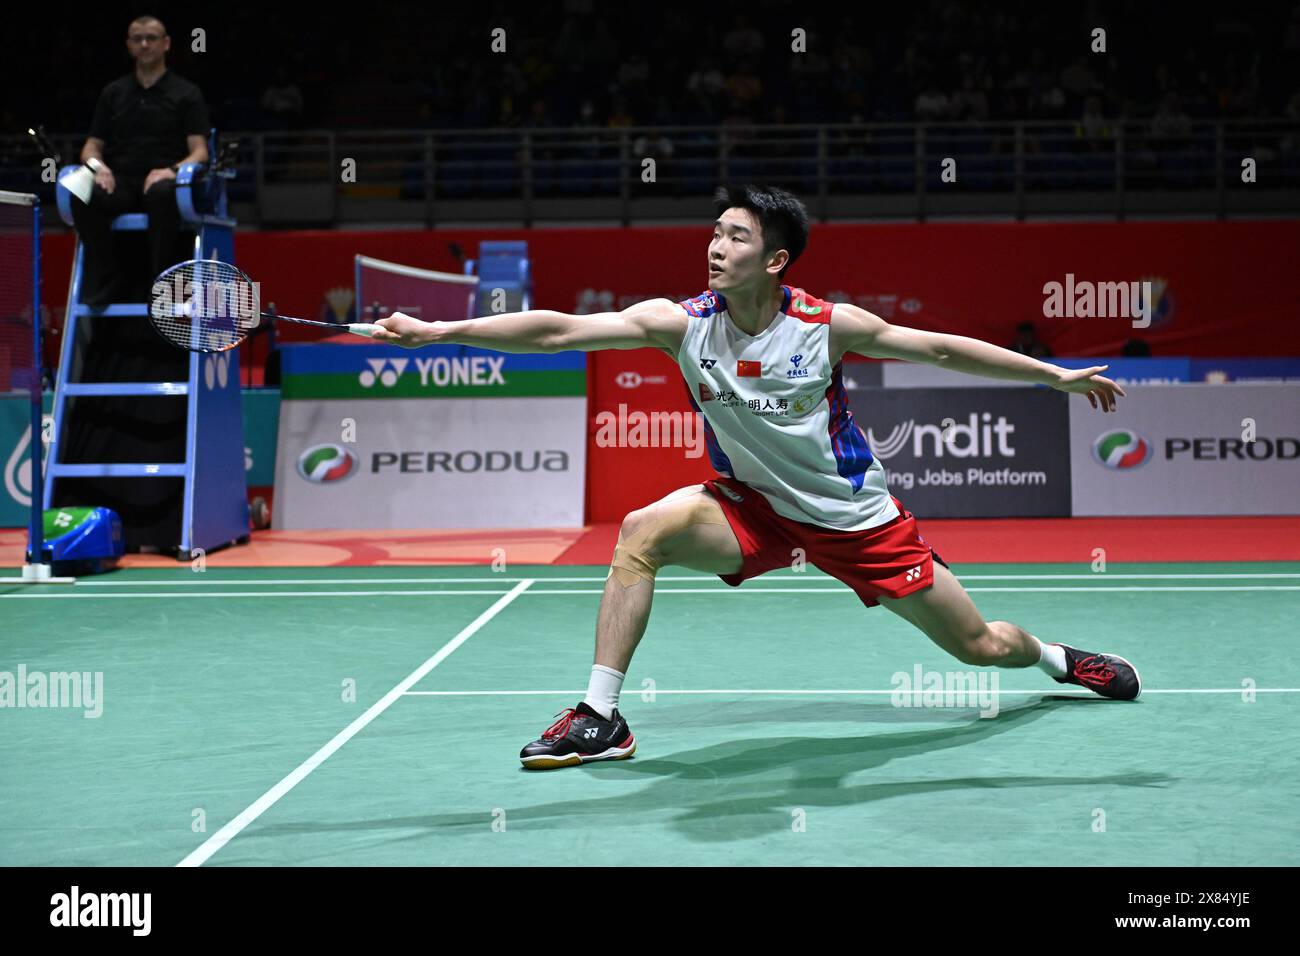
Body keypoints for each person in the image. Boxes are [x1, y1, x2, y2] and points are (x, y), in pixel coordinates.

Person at [372, 185, 1139, 771]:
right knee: (643, 532)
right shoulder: (682, 322)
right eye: (714, 232)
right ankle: (601, 717)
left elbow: (938, 350)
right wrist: (443, 329)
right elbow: (559, 330)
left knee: (978, 646)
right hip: (754, 507)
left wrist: (1053, 377)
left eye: (735, 237)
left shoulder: (826, 326)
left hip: (856, 520)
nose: (715, 246)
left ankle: (1059, 661)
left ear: (775, 260)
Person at [72, 15, 210, 306]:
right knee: (81, 194)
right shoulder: (113, 93)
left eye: (151, 38)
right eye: (138, 39)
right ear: (129, 45)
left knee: (161, 194)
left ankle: (161, 284)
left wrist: (171, 171)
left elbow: (200, 151)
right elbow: (91, 148)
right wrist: (98, 168)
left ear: (166, 44)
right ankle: (109, 278)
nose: (145, 44)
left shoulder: (187, 93)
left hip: (162, 184)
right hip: (120, 181)